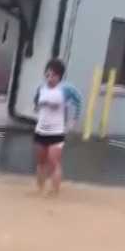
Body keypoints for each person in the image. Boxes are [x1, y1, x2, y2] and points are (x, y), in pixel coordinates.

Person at [33, 59, 82, 195]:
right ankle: (40, 189)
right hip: (41, 130)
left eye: (53, 75)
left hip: (56, 132)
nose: (50, 78)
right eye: (47, 75)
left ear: (59, 76)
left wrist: (74, 120)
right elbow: (36, 102)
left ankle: (54, 192)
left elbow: (78, 100)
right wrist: (37, 108)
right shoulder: (41, 88)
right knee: (41, 162)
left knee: (53, 161)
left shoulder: (66, 89)